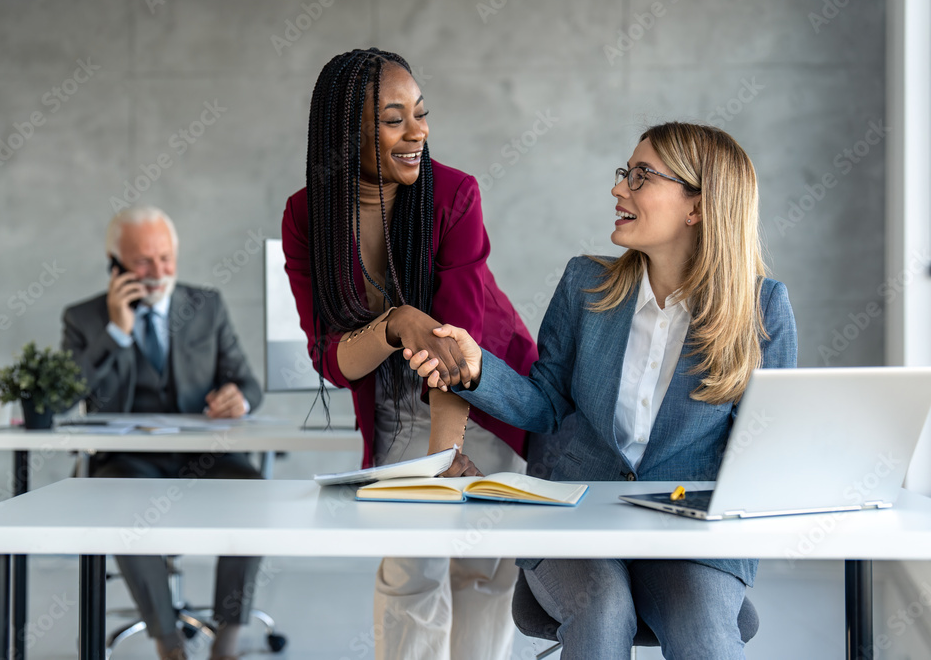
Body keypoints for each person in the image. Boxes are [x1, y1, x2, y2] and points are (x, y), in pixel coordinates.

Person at [404, 122, 798, 659]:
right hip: (574, 517)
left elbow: (762, 453)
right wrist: (475, 368)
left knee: (705, 632)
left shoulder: (762, 309)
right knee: (603, 612)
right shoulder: (584, 285)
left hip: (685, 537)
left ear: (698, 206)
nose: (619, 189)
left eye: (641, 177)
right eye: (624, 174)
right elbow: (544, 407)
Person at [282, 48, 538, 660]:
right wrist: (394, 323)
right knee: (409, 568)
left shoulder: (454, 193)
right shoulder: (306, 215)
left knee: (482, 566)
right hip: (394, 397)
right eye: (394, 119)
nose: (418, 131)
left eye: (420, 114)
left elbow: (461, 342)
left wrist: (446, 456)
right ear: (347, 134)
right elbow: (333, 361)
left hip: (481, 394)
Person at [62, 206, 263, 660]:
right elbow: (62, 396)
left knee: (253, 493)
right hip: (127, 462)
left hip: (204, 455)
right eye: (142, 261)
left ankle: (227, 641)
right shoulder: (84, 319)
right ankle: (168, 643)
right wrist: (116, 331)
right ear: (114, 264)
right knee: (118, 502)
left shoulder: (205, 305)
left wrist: (239, 398)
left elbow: (248, 382)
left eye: (166, 258)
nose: (157, 272)